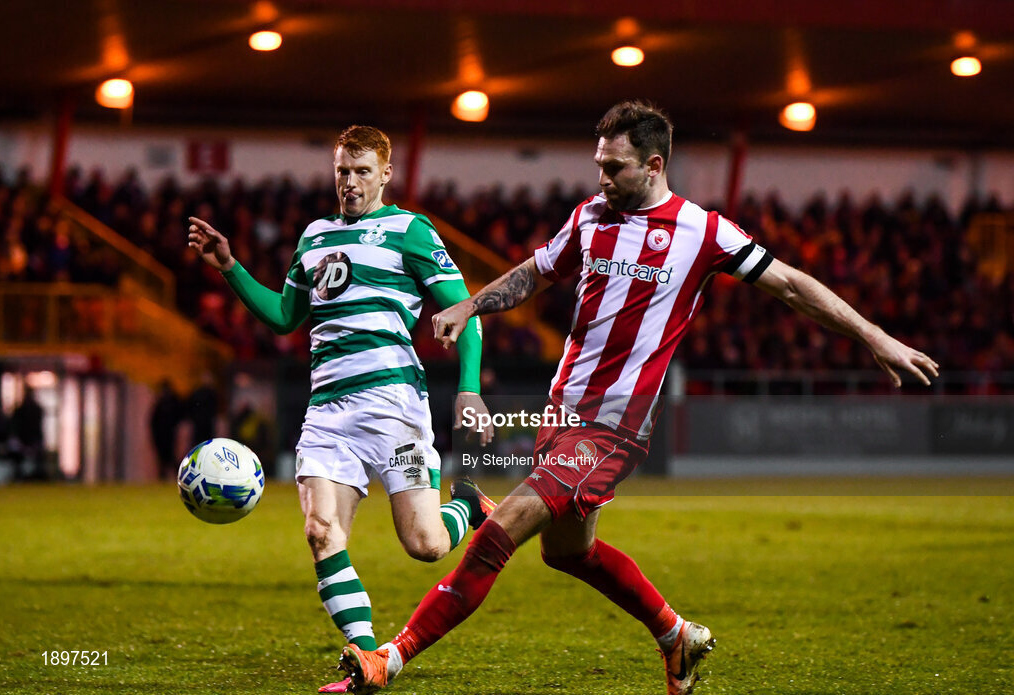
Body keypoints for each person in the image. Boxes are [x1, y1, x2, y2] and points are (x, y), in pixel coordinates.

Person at [338, 100, 940, 695]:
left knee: (502, 532)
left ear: (654, 165)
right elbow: (536, 273)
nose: (602, 178)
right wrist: (471, 304)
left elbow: (792, 286)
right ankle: (676, 635)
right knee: (568, 552)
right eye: (599, 165)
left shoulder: (704, 231)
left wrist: (874, 336)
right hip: (563, 410)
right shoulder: (589, 217)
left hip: (617, 423)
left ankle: (390, 659)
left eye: (615, 167)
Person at [187, 125, 497, 693]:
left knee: (425, 545)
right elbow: (285, 317)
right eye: (342, 172)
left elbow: (465, 312)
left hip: (395, 407)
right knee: (320, 531)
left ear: (385, 174)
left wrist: (470, 387)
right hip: (327, 411)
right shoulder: (314, 236)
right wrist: (230, 266)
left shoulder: (410, 231)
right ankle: (367, 657)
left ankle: (467, 506)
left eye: (361, 172)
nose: (350, 182)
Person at [150, 379, 182, 479]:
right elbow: (153, 421)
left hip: (169, 434)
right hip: (161, 434)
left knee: (169, 457)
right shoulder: (161, 403)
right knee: (163, 459)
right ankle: (164, 477)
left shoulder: (171, 402)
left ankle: (178, 475)